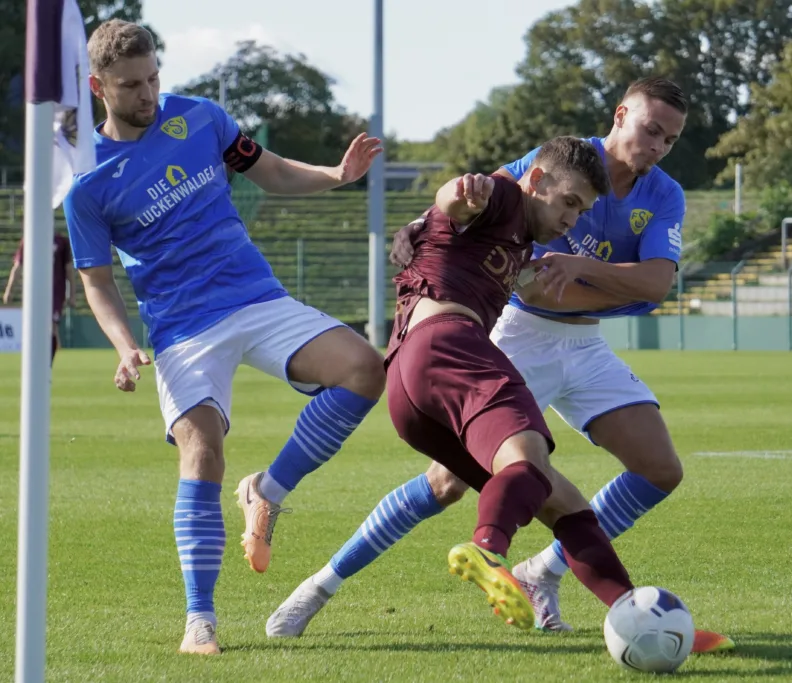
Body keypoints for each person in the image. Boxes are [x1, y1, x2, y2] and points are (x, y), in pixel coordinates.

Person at [267, 77, 734, 654]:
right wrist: (435, 213)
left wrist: (575, 272)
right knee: (451, 484)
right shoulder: (560, 162)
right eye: (650, 129)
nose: (658, 145)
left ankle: (588, 594)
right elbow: (477, 204)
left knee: (659, 468)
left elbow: (657, 281)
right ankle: (319, 587)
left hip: (584, 344)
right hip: (506, 337)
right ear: (620, 116)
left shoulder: (662, 193)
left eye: (670, 138)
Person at [64, 20, 386, 655]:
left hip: (256, 297)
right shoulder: (86, 181)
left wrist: (336, 175)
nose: (149, 94)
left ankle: (266, 490)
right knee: (202, 448)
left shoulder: (201, 118)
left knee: (363, 369)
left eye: (154, 78)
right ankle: (199, 621)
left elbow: (268, 171)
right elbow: (96, 282)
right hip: (183, 328)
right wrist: (125, 345)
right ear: (100, 87)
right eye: (132, 86)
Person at [3, 233, 75, 365]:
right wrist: (9, 290)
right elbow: (18, 266)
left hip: (55, 291)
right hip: (33, 292)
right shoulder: (30, 238)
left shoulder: (61, 241)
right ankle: (39, 362)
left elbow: (69, 269)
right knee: (36, 326)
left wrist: (72, 294)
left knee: (52, 326)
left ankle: (46, 365)